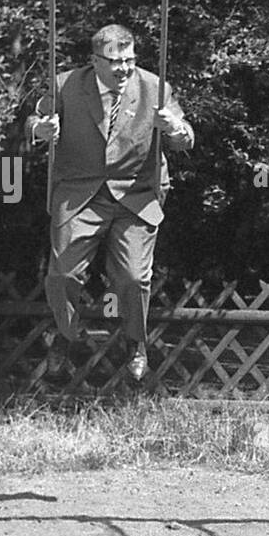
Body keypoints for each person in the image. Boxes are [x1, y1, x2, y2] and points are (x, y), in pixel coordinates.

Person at [28, 23, 195, 380]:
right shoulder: (65, 84)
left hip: (135, 194)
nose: (123, 69)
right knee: (62, 275)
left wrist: (174, 129)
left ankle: (135, 341)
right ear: (95, 61)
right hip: (80, 193)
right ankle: (66, 334)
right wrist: (39, 130)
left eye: (129, 60)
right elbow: (33, 118)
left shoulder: (155, 87)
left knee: (133, 278)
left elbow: (185, 136)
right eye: (115, 62)